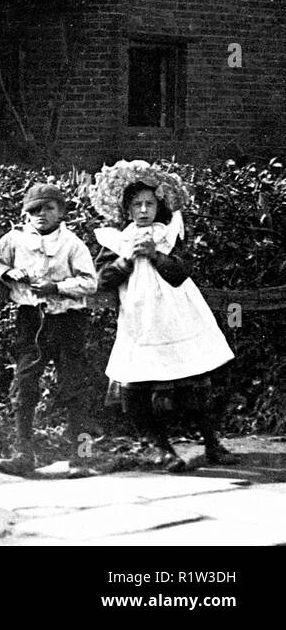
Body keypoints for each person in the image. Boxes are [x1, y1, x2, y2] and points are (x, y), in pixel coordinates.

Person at [90, 161, 236, 473]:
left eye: (149, 204)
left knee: (194, 378)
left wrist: (155, 255)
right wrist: (129, 259)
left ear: (159, 207)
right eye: (136, 205)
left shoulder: (170, 234)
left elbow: (183, 272)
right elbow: (102, 279)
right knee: (136, 382)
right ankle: (159, 447)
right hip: (140, 320)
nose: (143, 210)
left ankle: (212, 442)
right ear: (127, 210)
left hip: (178, 313)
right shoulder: (116, 241)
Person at [0, 182, 98, 476]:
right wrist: (9, 273)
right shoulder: (14, 240)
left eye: (49, 208)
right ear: (26, 213)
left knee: (73, 386)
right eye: (34, 209)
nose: (41, 214)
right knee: (24, 384)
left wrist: (58, 287)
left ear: (61, 212)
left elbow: (90, 282)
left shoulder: (72, 244)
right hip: (30, 319)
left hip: (67, 321)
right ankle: (23, 453)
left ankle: (82, 456)